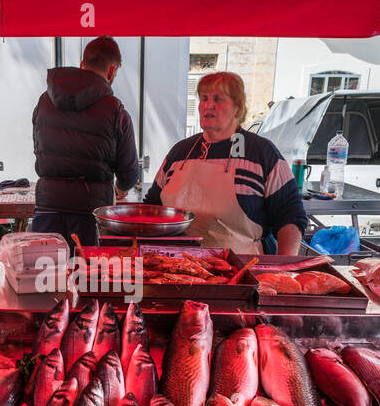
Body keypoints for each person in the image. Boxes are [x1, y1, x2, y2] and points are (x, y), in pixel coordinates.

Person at [144, 71, 306, 255]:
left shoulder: (262, 153)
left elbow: (290, 216)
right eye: (204, 98)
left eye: (218, 99)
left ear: (238, 108)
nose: (208, 106)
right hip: (175, 265)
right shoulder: (180, 152)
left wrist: (284, 269)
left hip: (241, 270)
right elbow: (152, 208)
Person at [31, 36, 140, 247]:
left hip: (47, 208)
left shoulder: (44, 101)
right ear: (111, 71)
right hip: (92, 213)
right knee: (88, 277)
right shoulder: (115, 110)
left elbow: (39, 149)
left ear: (82, 64)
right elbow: (129, 173)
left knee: (47, 275)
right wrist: (121, 188)